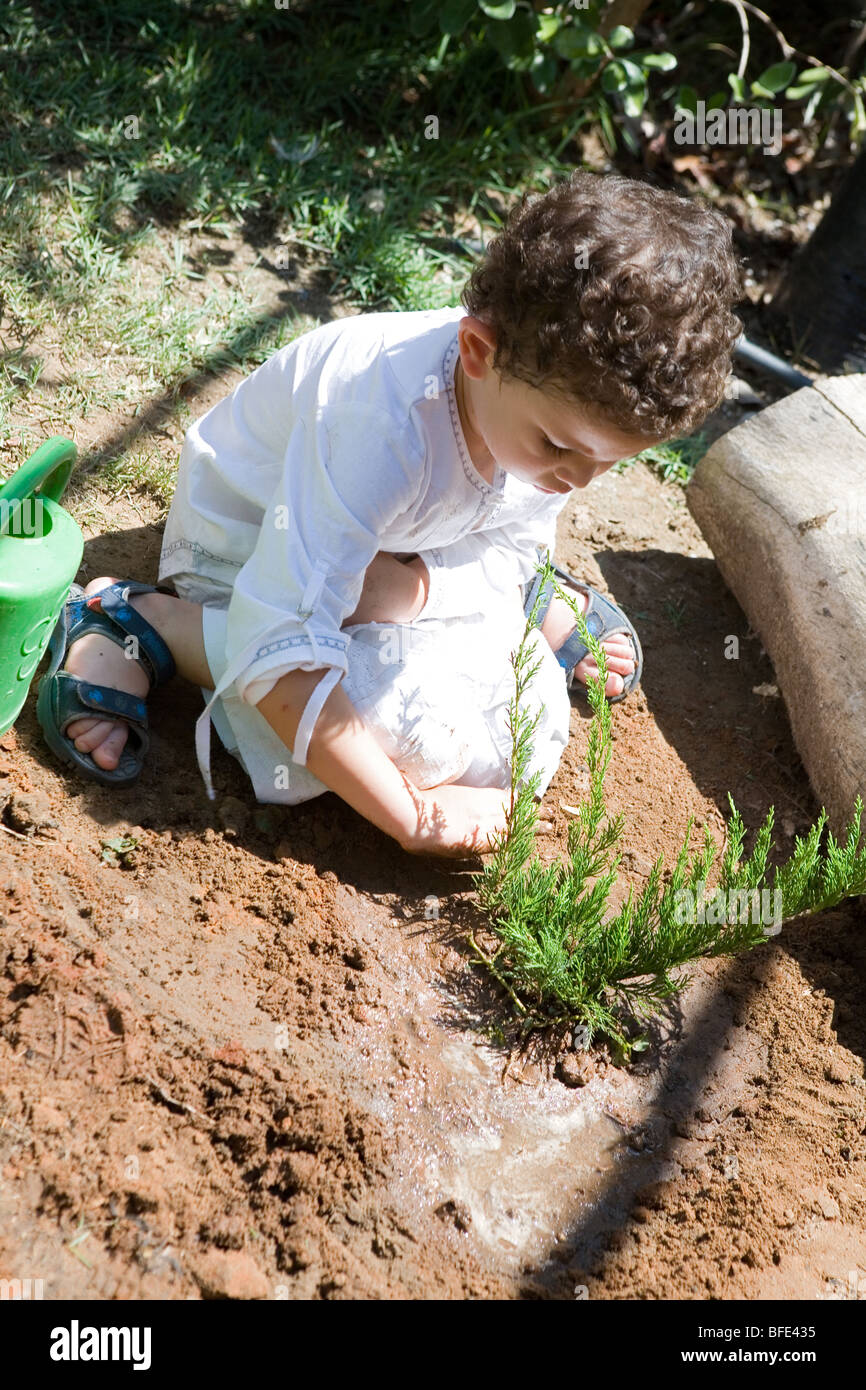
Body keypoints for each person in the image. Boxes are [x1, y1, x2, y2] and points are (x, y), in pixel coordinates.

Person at [36, 170, 743, 857]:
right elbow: (284, 637)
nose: (578, 483)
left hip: (412, 552)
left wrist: (415, 589)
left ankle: (514, 598)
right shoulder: (379, 426)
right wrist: (415, 817)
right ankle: (141, 622)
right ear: (476, 351)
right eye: (562, 449)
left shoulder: (535, 417)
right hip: (252, 554)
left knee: (521, 734)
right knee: (406, 741)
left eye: (610, 462)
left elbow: (514, 542)